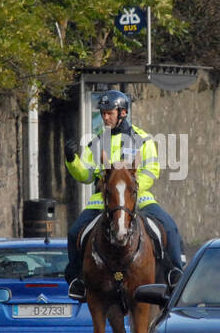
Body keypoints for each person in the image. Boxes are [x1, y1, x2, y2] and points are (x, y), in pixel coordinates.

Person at [63, 89, 184, 300]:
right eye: (102, 113)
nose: (105, 117)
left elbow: (151, 170)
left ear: (123, 113)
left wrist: (131, 189)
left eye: (109, 112)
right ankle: (77, 280)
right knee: (74, 232)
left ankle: (175, 272)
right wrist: (71, 159)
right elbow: (86, 175)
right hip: (102, 202)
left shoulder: (142, 139)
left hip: (139, 199)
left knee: (170, 228)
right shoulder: (98, 142)